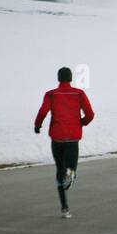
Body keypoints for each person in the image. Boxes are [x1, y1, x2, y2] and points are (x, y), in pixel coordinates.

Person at [34, 67, 94, 218]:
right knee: (71, 166)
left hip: (57, 137)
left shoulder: (51, 94)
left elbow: (43, 111)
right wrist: (81, 123)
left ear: (58, 78)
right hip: (73, 137)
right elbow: (90, 114)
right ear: (70, 78)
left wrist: (37, 125)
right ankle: (72, 172)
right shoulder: (79, 93)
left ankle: (64, 208)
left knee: (59, 170)